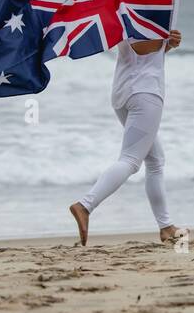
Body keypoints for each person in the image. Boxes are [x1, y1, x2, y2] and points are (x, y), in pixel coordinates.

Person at [69, 29, 187, 246]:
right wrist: (163, 40)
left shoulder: (129, 11)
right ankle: (85, 205)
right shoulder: (142, 15)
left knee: (155, 161)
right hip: (144, 92)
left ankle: (166, 227)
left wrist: (168, 44)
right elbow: (143, 46)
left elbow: (144, 53)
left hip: (125, 90)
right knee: (131, 161)